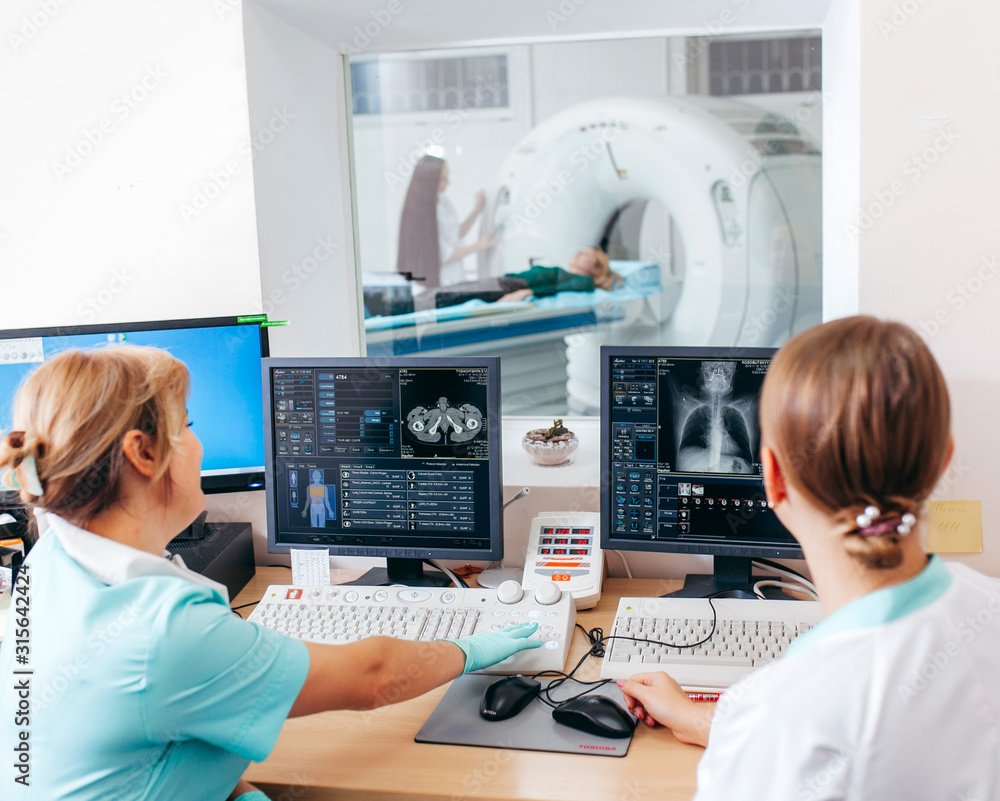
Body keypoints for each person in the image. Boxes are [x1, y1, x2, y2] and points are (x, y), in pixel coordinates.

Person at [0, 346, 541, 801]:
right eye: (185, 428)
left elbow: (137, 738)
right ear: (142, 453)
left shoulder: (48, 563)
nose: (197, 447)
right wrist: (467, 647)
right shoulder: (163, 630)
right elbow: (374, 676)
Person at [617, 316, 1000, 800]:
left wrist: (746, 733)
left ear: (771, 477)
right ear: (943, 461)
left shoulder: (779, 720)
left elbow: (796, 742)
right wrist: (707, 720)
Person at [415, 246, 624, 311]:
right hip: (502, 282)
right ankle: (405, 304)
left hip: (507, 287)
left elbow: (559, 290)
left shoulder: (585, 282)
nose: (578, 253)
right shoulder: (567, 272)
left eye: (586, 255)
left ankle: (404, 307)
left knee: (446, 297)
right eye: (580, 251)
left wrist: (527, 293)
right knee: (447, 291)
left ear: (596, 270)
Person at [397, 155, 495, 288]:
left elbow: (455, 234)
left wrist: (477, 210)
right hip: (433, 287)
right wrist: (478, 246)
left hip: (454, 280)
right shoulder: (419, 213)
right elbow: (445, 254)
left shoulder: (443, 202)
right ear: (429, 180)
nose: (448, 182)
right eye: (443, 179)